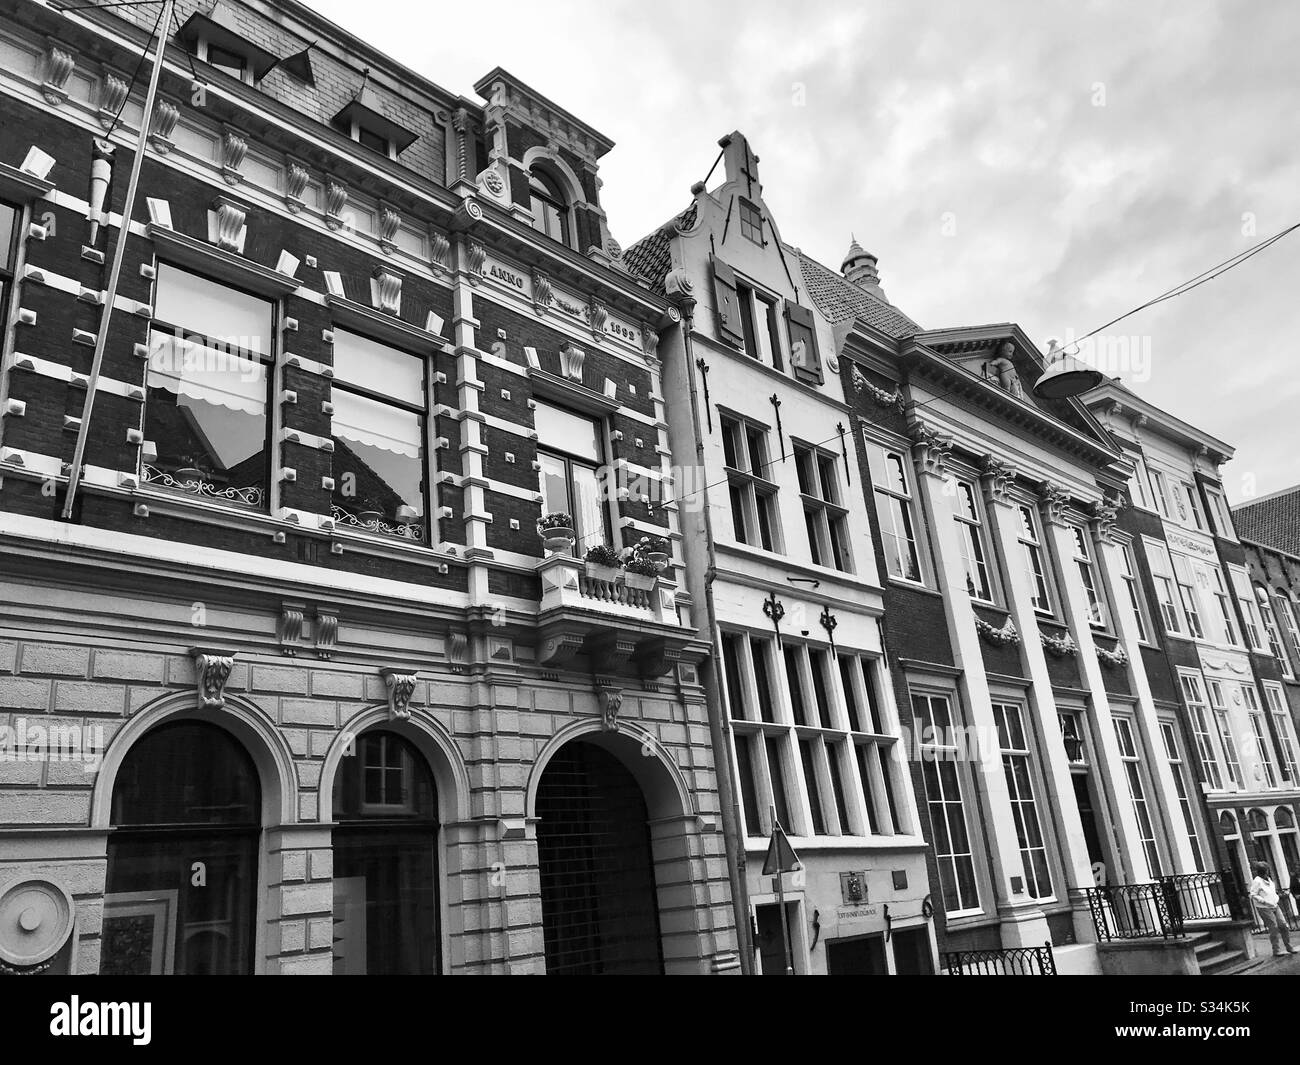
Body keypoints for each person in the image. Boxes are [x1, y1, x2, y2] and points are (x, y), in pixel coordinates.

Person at [1249, 861, 1294, 957]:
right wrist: (1264, 901)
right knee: (1274, 927)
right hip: (1264, 907)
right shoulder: (1257, 881)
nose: (1268, 872)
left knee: (1284, 925)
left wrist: (1277, 898)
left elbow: (1272, 893)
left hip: (1274, 905)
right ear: (1264, 871)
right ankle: (1276, 950)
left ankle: (1289, 946)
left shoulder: (1269, 880)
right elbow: (1253, 894)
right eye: (1267, 870)